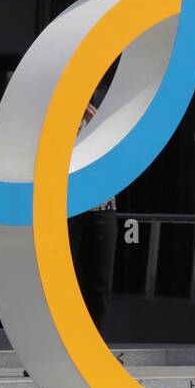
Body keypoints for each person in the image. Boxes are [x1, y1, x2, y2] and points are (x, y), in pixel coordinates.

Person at [68, 101, 117, 331]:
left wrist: (96, 124)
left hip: (102, 206)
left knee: (99, 281)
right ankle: (56, 352)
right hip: (64, 208)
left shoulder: (103, 112)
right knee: (65, 283)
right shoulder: (55, 114)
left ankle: (96, 352)